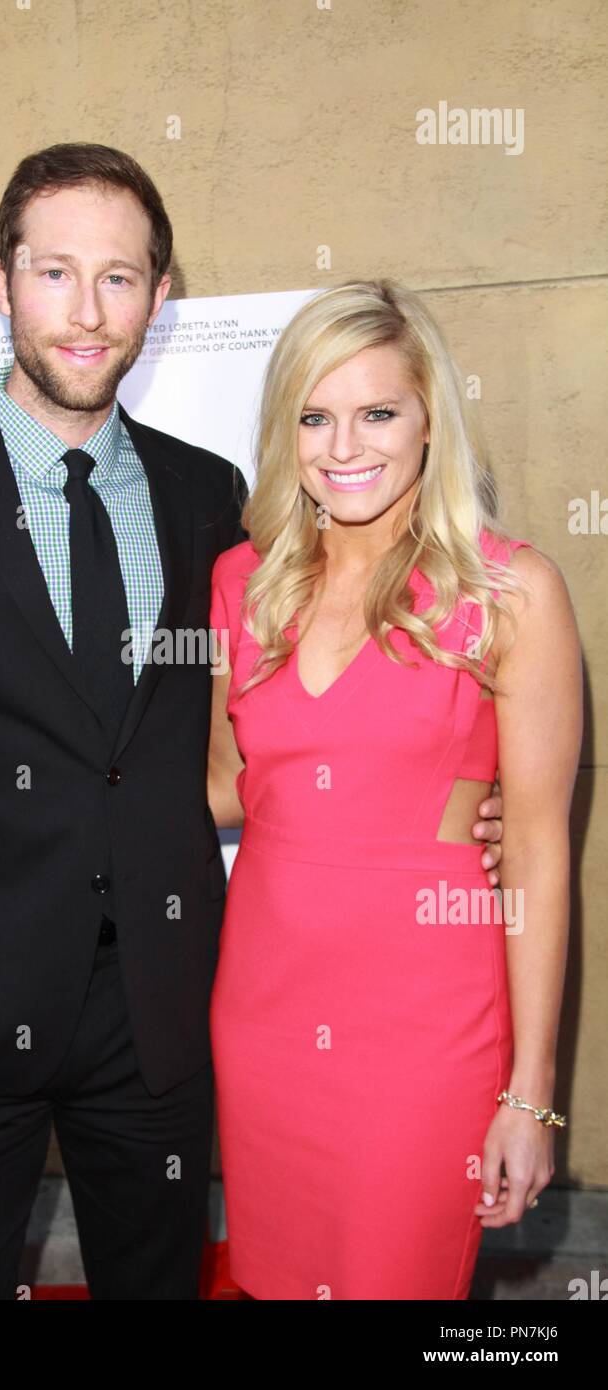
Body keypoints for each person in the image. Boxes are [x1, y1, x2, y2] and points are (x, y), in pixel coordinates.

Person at [0, 144, 504, 1302]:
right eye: (54, 272)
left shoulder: (208, 495)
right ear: (0, 281)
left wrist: (474, 802)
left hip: (162, 1010)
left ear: (158, 299)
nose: (85, 311)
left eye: (118, 278)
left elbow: (282, 730)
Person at [207, 279, 581, 1301]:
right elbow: (222, 789)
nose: (343, 447)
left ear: (428, 421)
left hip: (426, 1029)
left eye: (376, 411)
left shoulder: (509, 592)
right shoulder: (243, 582)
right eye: (314, 417)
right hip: (264, 1017)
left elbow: (539, 854)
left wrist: (530, 1096)